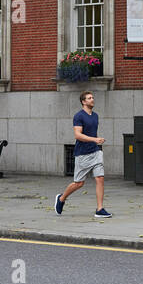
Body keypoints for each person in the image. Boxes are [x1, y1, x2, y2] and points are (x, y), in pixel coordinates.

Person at [55, 91, 110, 219]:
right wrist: (95, 139)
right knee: (79, 183)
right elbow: (78, 135)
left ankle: (99, 209)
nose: (92, 100)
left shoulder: (95, 116)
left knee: (100, 178)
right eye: (89, 98)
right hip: (83, 154)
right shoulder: (78, 116)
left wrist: (96, 142)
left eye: (93, 98)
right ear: (83, 102)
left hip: (96, 152)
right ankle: (61, 198)